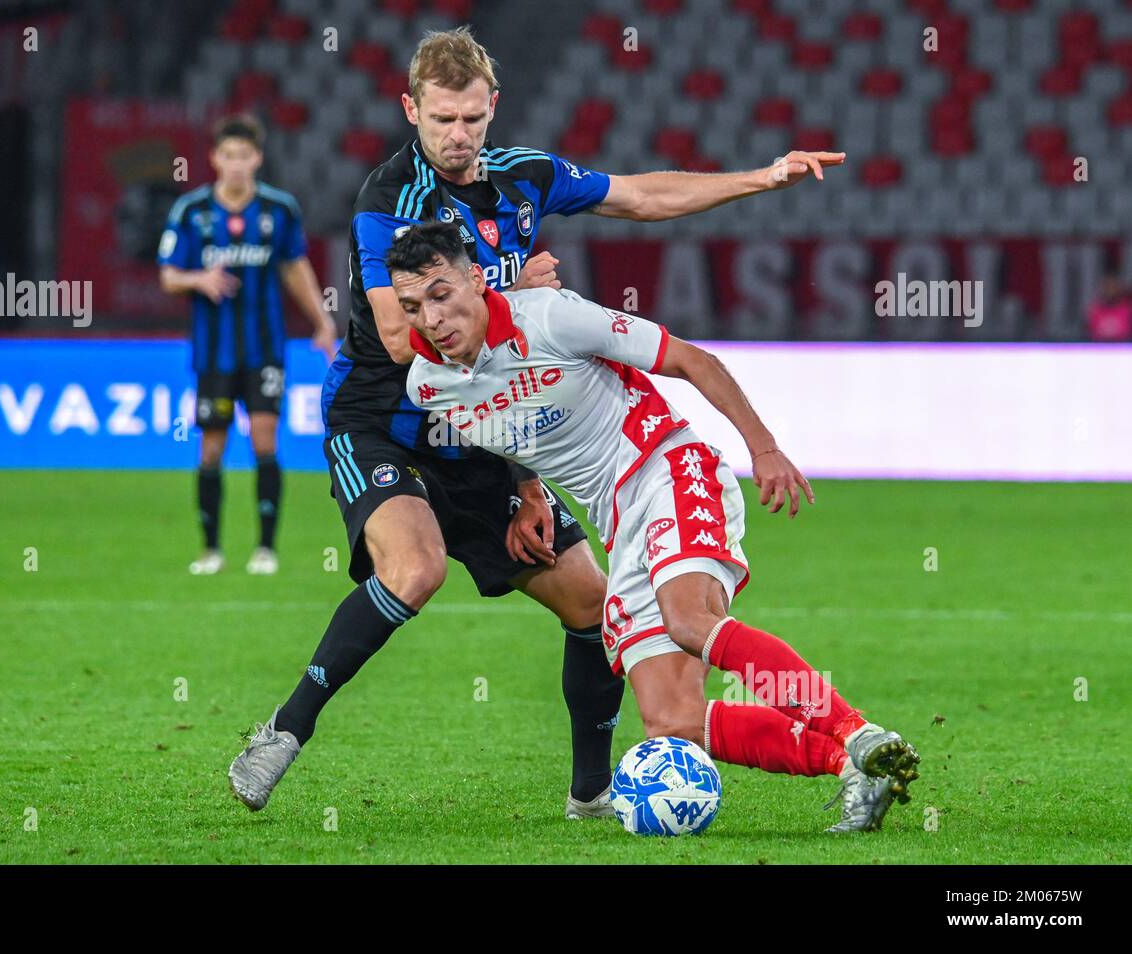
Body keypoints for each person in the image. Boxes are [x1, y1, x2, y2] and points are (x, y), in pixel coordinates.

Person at [228, 27, 843, 819]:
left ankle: (589, 795)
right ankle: (284, 730)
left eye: (472, 120)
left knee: (589, 601)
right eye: (442, 119)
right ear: (411, 108)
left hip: (488, 423)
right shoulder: (388, 203)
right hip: (386, 416)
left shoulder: (525, 177)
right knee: (416, 571)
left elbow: (642, 196)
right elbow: (394, 335)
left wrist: (762, 178)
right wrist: (508, 281)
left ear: (493, 109)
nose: (458, 137)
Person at [394, 221, 920, 833]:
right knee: (674, 722)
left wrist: (765, 448)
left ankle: (857, 732)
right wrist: (529, 489)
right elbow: (508, 423)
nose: (430, 319)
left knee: (690, 621)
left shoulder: (552, 318)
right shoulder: (427, 385)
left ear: (477, 281)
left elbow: (692, 359)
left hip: (669, 466)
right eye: (412, 306)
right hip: (618, 524)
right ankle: (854, 767)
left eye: (440, 295)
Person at [159, 113, 337, 576]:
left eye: (245, 156)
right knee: (211, 450)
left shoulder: (279, 210)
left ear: (257, 158)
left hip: (265, 350)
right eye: (228, 156)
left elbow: (294, 268)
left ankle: (265, 549)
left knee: (264, 440)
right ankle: (212, 549)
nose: (236, 164)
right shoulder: (191, 212)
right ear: (215, 158)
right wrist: (199, 278)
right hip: (214, 354)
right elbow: (168, 275)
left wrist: (322, 321)